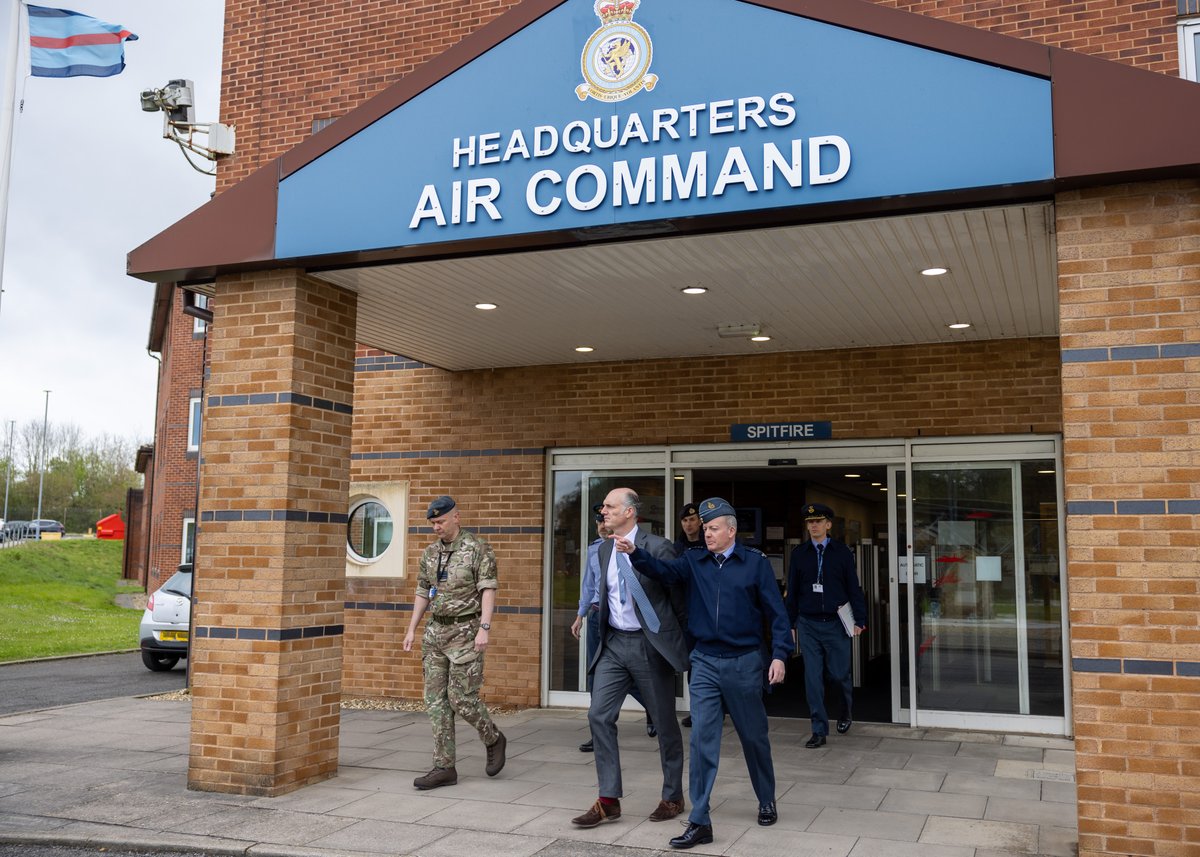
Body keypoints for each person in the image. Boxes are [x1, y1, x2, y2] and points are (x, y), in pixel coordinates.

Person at [617, 497, 792, 849]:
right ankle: (700, 821)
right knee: (701, 742)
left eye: (713, 528)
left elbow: (777, 614)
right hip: (706, 663)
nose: (706, 533)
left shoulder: (755, 565)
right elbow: (662, 572)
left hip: (744, 663)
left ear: (731, 531)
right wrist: (635, 552)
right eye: (705, 528)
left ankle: (766, 797)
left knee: (753, 738)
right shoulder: (693, 561)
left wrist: (780, 656)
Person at [570, 488, 689, 829]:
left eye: (609, 506)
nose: (603, 511)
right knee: (599, 714)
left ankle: (672, 795)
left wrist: (679, 645)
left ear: (630, 512)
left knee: (665, 722)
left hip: (650, 644)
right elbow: (602, 594)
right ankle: (608, 800)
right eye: (604, 507)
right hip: (615, 644)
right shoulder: (604, 549)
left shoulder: (659, 547)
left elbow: (677, 598)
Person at [403, 495, 506, 789]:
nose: (436, 527)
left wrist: (484, 628)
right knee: (436, 702)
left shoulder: (478, 548)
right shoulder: (430, 553)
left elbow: (488, 589)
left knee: (462, 699)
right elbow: (423, 591)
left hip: (466, 632)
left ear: (456, 517)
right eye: (433, 523)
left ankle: (493, 738)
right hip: (435, 633)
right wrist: (412, 628)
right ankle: (444, 766)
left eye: (441, 521)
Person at [785, 502, 868, 749]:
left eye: (818, 521)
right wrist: (789, 623)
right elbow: (793, 592)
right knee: (812, 679)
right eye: (810, 522)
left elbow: (853, 588)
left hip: (835, 623)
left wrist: (860, 620)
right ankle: (818, 729)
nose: (813, 526)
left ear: (828, 525)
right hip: (809, 624)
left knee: (840, 674)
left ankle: (845, 711)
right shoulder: (800, 554)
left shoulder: (842, 553)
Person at [570, 504, 609, 753]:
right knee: (595, 673)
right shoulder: (594, 549)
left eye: (606, 521)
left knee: (637, 671)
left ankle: (654, 712)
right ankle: (597, 733)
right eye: (599, 523)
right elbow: (588, 585)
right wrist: (580, 615)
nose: (603, 527)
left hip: (620, 621)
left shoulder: (624, 548)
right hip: (596, 615)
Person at [673, 501, 704, 728]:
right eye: (684, 520)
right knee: (692, 665)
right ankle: (697, 711)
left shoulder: (709, 544)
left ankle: (716, 708)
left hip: (708, 613)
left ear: (700, 521)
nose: (688, 524)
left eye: (692, 519)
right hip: (686, 615)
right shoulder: (677, 548)